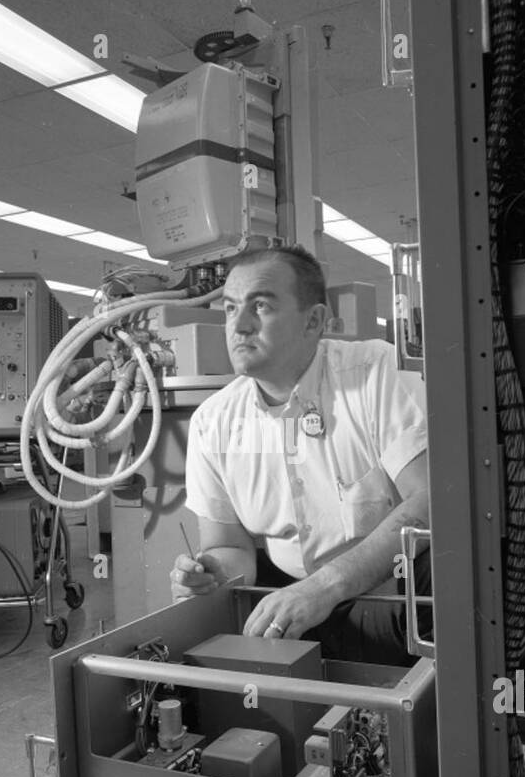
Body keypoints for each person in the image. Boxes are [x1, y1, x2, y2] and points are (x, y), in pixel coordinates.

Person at [170, 243, 432, 666]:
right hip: (292, 602)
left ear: (314, 320)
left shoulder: (377, 373)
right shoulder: (212, 423)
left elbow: (430, 501)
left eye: (261, 306)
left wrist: (326, 586)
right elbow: (229, 545)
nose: (239, 326)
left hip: (393, 593)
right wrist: (213, 574)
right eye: (231, 308)